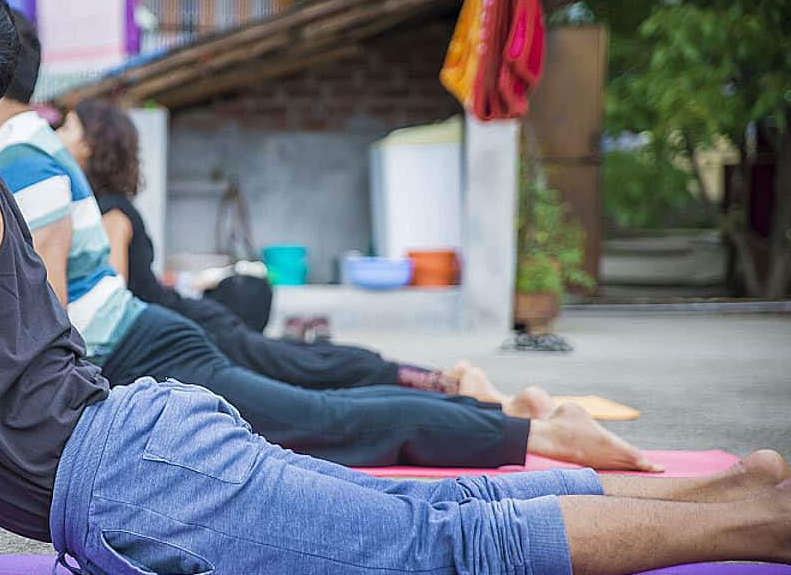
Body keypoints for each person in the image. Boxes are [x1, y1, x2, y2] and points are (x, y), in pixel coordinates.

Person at [0, 0, 791, 575]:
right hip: (143, 458)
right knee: (438, 521)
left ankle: (758, 523)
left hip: (148, 480)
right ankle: (728, 490)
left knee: (455, 550)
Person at [0, 10, 657, 473]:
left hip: (152, 347)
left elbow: (51, 317)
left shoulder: (24, 156)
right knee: (323, 397)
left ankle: (538, 432)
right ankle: (489, 409)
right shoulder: (30, 144)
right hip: (152, 341)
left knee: (325, 415)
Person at [58, 97, 553, 418]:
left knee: (308, 370)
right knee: (303, 365)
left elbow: (112, 296)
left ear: (90, 145)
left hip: (191, 328)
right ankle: (443, 383)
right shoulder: (112, 207)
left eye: (68, 128)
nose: (59, 136)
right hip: (187, 321)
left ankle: (447, 385)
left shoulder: (109, 213)